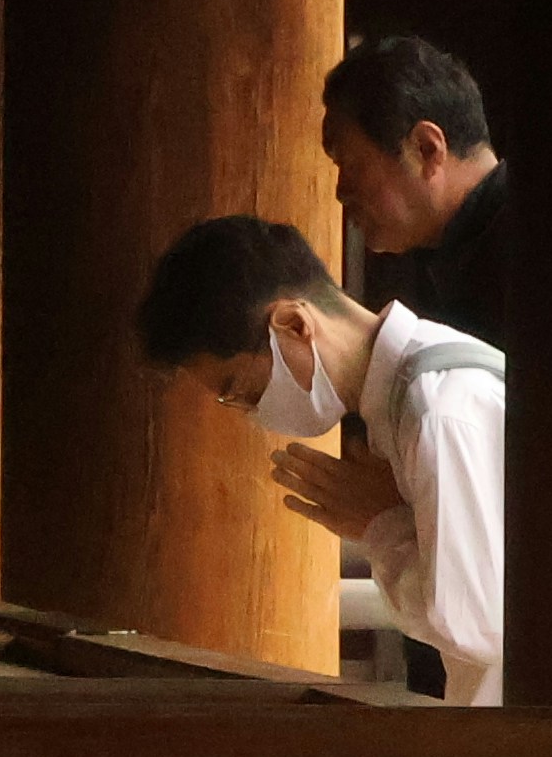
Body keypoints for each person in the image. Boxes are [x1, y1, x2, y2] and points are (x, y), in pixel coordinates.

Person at [134, 211, 504, 705]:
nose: (253, 413)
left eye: (241, 390)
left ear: (293, 325)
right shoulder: (405, 398)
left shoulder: (437, 408)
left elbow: (476, 622)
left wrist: (382, 526)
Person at [321, 34, 514, 353]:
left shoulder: (534, 248)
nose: (342, 191)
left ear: (426, 148)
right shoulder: (453, 253)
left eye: (351, 165)